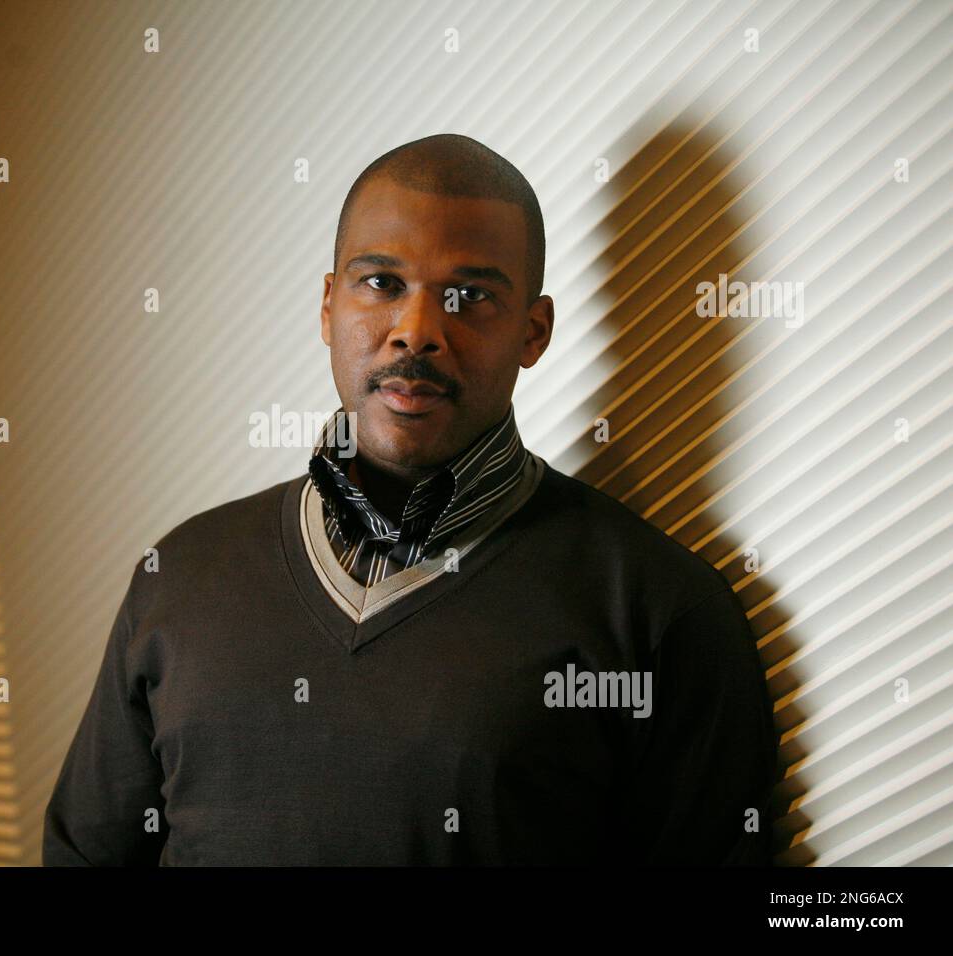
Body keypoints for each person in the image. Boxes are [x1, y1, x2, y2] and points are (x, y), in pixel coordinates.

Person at [43, 133, 780, 866]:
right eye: (381, 284)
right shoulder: (178, 576)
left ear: (534, 330)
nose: (417, 332)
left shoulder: (657, 613)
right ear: (329, 305)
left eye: (471, 297)